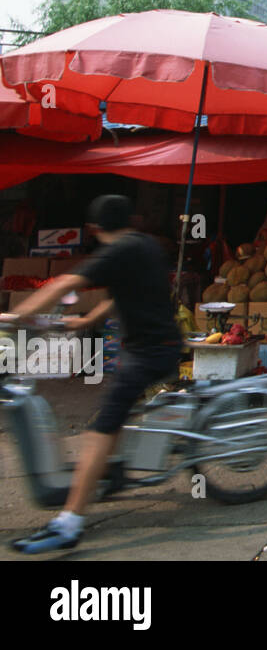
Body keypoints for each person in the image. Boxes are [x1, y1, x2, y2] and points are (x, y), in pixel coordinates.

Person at [2, 195, 181, 553]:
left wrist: (14, 317)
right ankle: (112, 471)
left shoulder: (116, 251)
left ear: (94, 229)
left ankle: (69, 523)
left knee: (99, 430)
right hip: (154, 346)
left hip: (147, 353)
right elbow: (120, 295)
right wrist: (85, 321)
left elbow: (60, 285)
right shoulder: (144, 244)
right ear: (132, 218)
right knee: (112, 414)